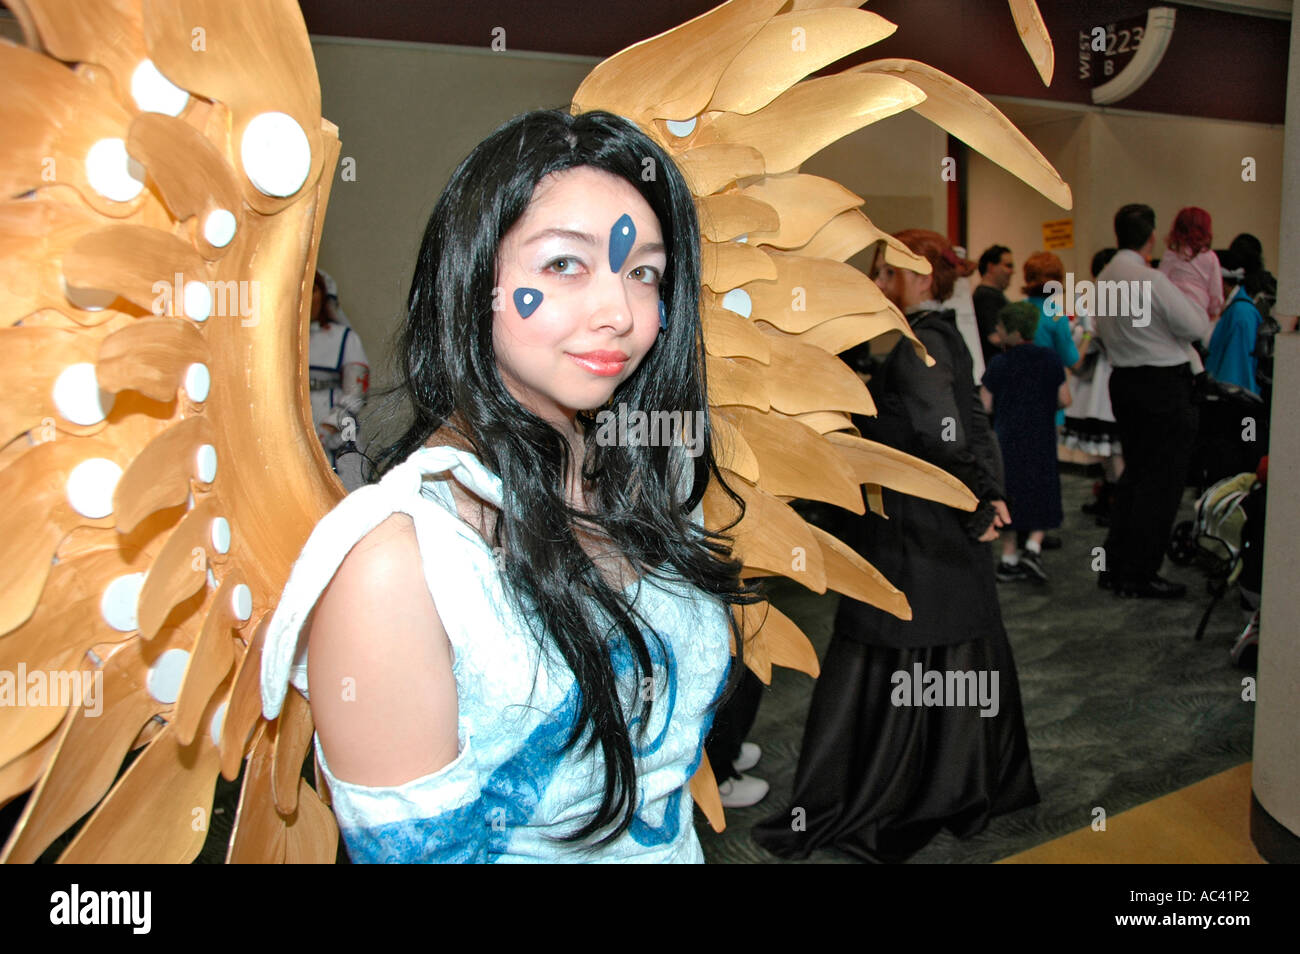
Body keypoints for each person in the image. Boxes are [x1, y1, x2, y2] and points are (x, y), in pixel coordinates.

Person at [259, 109, 763, 862]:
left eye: (645, 272)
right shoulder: (399, 564)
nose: (619, 311)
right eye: (564, 264)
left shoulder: (650, 481)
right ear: (474, 281)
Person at [752, 228, 1038, 863]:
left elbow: (946, 439)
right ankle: (947, 784)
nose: (877, 286)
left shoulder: (921, 346)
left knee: (902, 648)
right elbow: (973, 420)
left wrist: (975, 502)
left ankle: (904, 792)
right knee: (942, 651)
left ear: (921, 277)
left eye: (887, 274)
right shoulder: (941, 336)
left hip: (918, 527)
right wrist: (987, 497)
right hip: (932, 524)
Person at [1093, 204, 1209, 599]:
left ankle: (1115, 565)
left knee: (1135, 477)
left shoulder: (1105, 280)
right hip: (1163, 386)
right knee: (1161, 485)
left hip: (1125, 382)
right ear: (1152, 237)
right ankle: (1140, 572)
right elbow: (1196, 326)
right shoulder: (1151, 280)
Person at [981, 301, 1070, 583]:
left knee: (1011, 493)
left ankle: (1008, 558)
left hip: (1008, 441)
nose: (996, 332)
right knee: (1043, 488)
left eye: (1000, 327)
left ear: (1012, 331)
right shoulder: (1050, 359)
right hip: (1042, 437)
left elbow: (984, 405)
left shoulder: (999, 364)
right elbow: (1065, 399)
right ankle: (1033, 546)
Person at [1065, 248, 1125, 524]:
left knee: (1114, 450)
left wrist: (1086, 330)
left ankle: (1118, 505)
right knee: (1106, 451)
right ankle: (1109, 497)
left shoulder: (1117, 303)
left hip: (1111, 382)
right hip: (1100, 382)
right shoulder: (1103, 301)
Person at [309, 269, 370, 469]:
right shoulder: (282, 341)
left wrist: (328, 427)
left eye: (313, 290)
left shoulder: (346, 338)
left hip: (337, 432)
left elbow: (356, 393)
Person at [1158, 207, 1223, 343]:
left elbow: (1159, 284)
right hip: (1198, 318)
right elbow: (1215, 295)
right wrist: (1213, 311)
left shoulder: (1171, 254)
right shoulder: (1210, 257)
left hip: (1173, 315)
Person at [1207, 249, 1263, 394]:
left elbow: (1235, 375)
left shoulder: (1241, 313)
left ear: (1220, 281)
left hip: (1232, 407)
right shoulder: (1232, 309)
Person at [973, 244, 1014, 366]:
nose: (1012, 271)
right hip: (995, 368)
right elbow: (994, 337)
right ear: (991, 267)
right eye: (1008, 266)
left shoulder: (992, 295)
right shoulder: (986, 297)